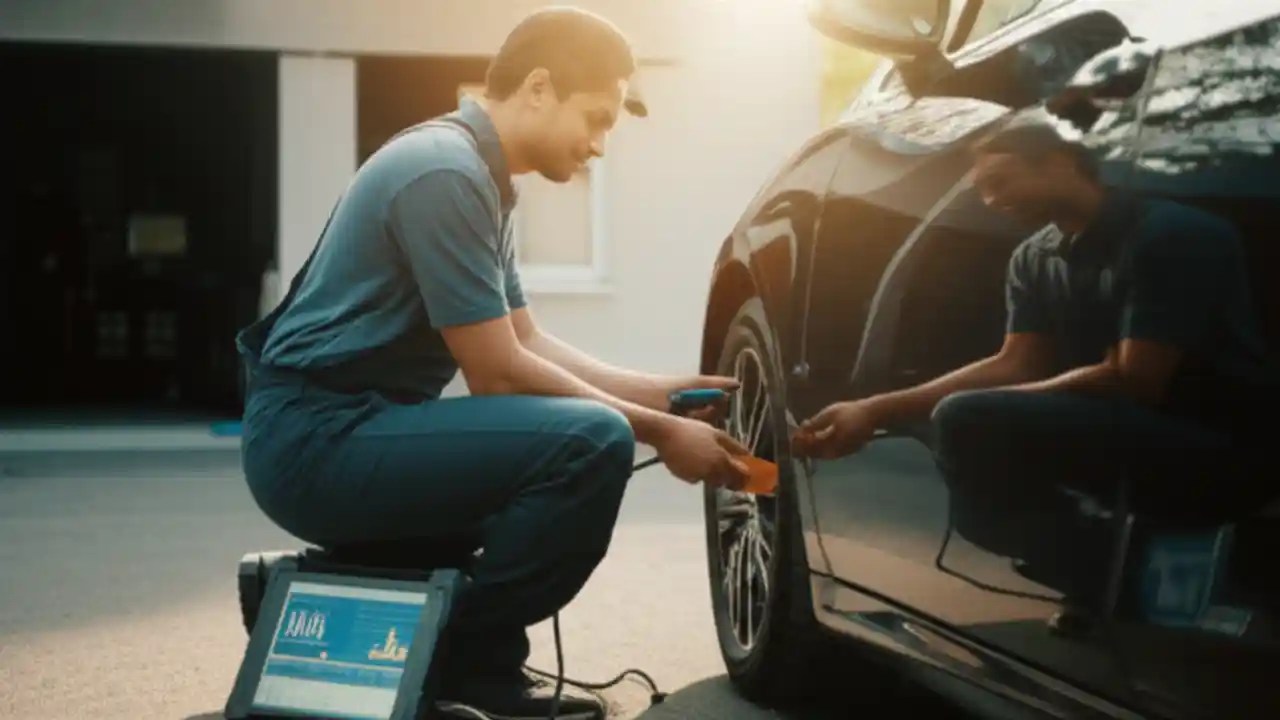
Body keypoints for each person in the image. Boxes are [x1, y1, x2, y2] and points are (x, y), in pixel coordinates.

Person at [235, 7, 751, 719]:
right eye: (595, 119)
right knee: (588, 445)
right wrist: (658, 434)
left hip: (347, 430)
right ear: (539, 87)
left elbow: (526, 342)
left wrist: (660, 394)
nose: (600, 145)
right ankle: (473, 667)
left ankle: (336, 599)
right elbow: (499, 373)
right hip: (314, 441)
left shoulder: (478, 174)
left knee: (575, 441)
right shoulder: (442, 174)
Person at [792, 117, 1275, 634]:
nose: (992, 201)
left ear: (1063, 162)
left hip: (1221, 444)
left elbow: (1138, 380)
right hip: (1116, 431)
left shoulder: (1171, 236)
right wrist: (873, 410)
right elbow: (1016, 362)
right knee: (956, 443)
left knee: (967, 418)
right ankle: (1107, 571)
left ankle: (1122, 570)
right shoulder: (1032, 257)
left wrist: (1007, 406)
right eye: (982, 190)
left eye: (1001, 181)